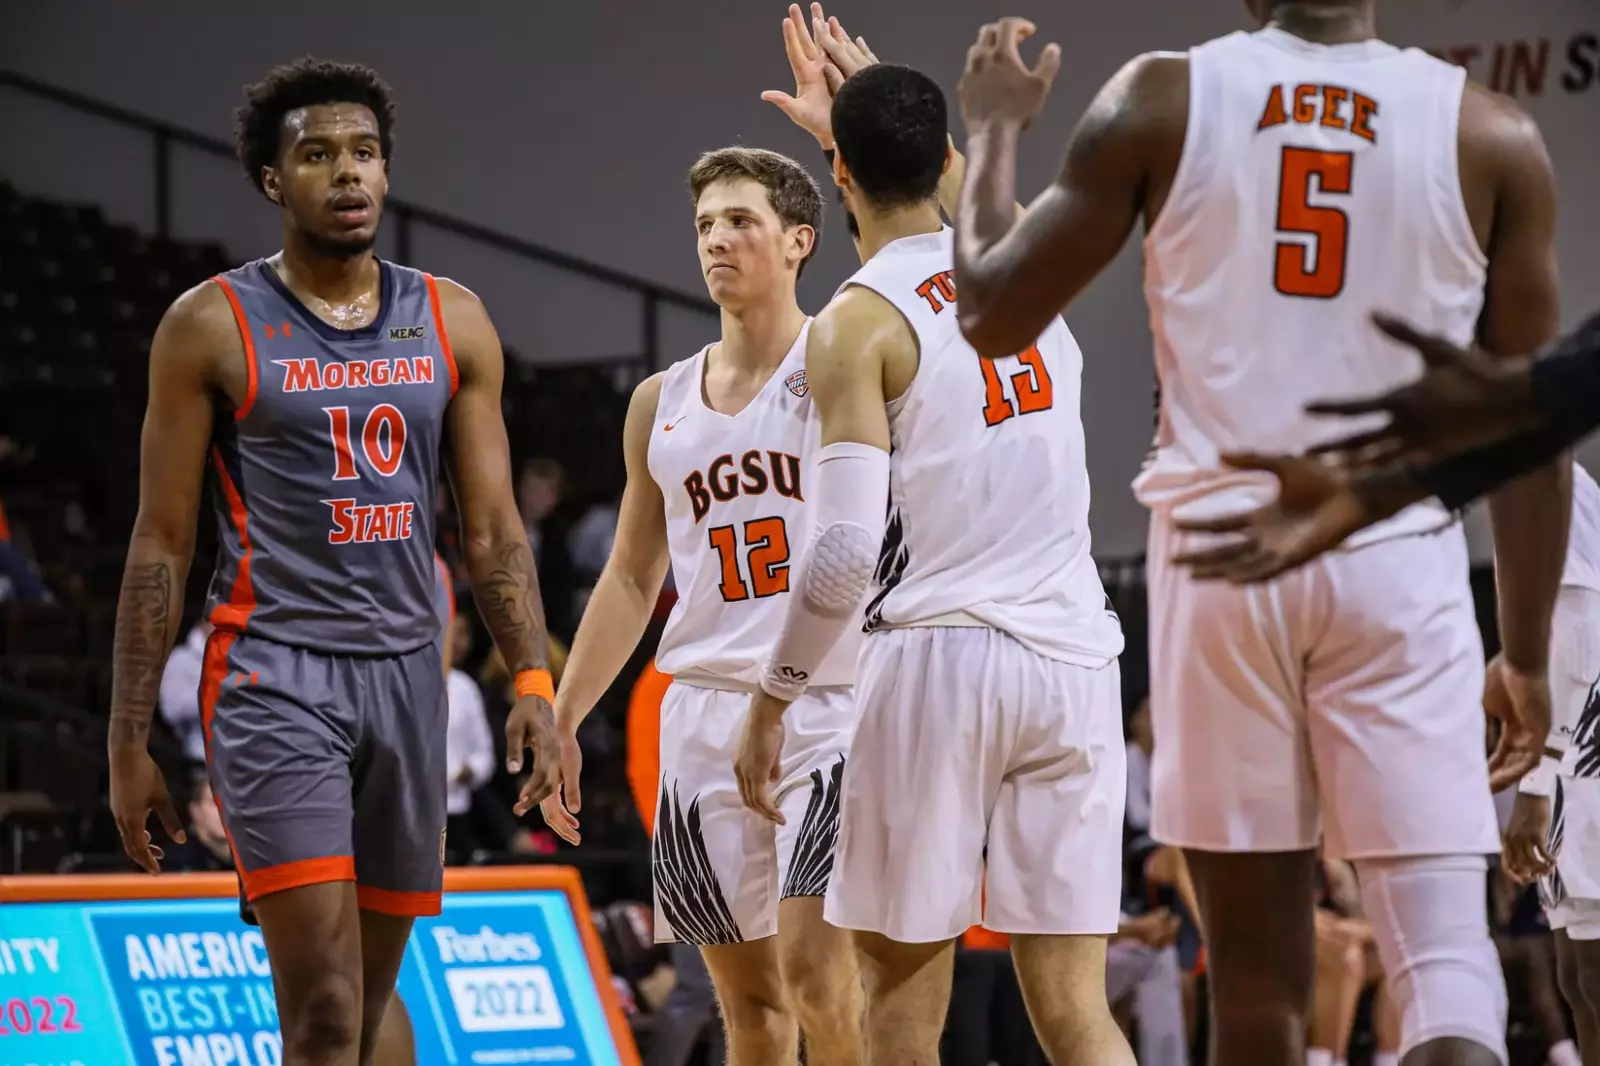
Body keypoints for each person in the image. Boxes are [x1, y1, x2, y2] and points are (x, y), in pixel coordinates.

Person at [951, 2, 1567, 1063]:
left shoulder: (1160, 95)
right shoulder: (1490, 130)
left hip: (1222, 552)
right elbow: (1533, 432)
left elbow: (991, 312)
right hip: (1395, 549)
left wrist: (995, 127)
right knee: (1443, 964)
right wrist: (1526, 654)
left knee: (1257, 989)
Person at [105, 58, 560, 1066]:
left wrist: (531, 678)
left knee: (369, 1002)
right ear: (274, 180)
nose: (347, 172)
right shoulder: (207, 324)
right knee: (320, 1005)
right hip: (273, 675)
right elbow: (160, 541)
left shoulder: (452, 317)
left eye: (364, 152)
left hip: (408, 675)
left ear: (387, 171)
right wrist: (127, 736)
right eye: (317, 155)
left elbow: (492, 529)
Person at [731, 53, 1130, 1063]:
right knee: (1077, 1010)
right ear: (942, 152)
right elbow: (950, 186)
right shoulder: (1024, 257)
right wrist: (880, 126)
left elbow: (842, 553)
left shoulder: (856, 321)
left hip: (939, 657)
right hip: (1075, 660)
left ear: (839, 176)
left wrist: (773, 700)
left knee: (902, 998)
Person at [538, 145, 863, 1065]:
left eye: (741, 221)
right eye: (705, 225)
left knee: (821, 982)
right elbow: (632, 576)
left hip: (826, 707)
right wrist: (566, 714)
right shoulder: (660, 401)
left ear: (799, 240)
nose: (717, 240)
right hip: (702, 714)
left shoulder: (843, 364)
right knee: (751, 1007)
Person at [1499, 462, 1600, 1063]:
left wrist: (1538, 781)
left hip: (1581, 749)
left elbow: (1580, 632)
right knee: (1576, 977)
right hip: (1571, 747)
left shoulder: (1534, 473)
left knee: (1592, 974)